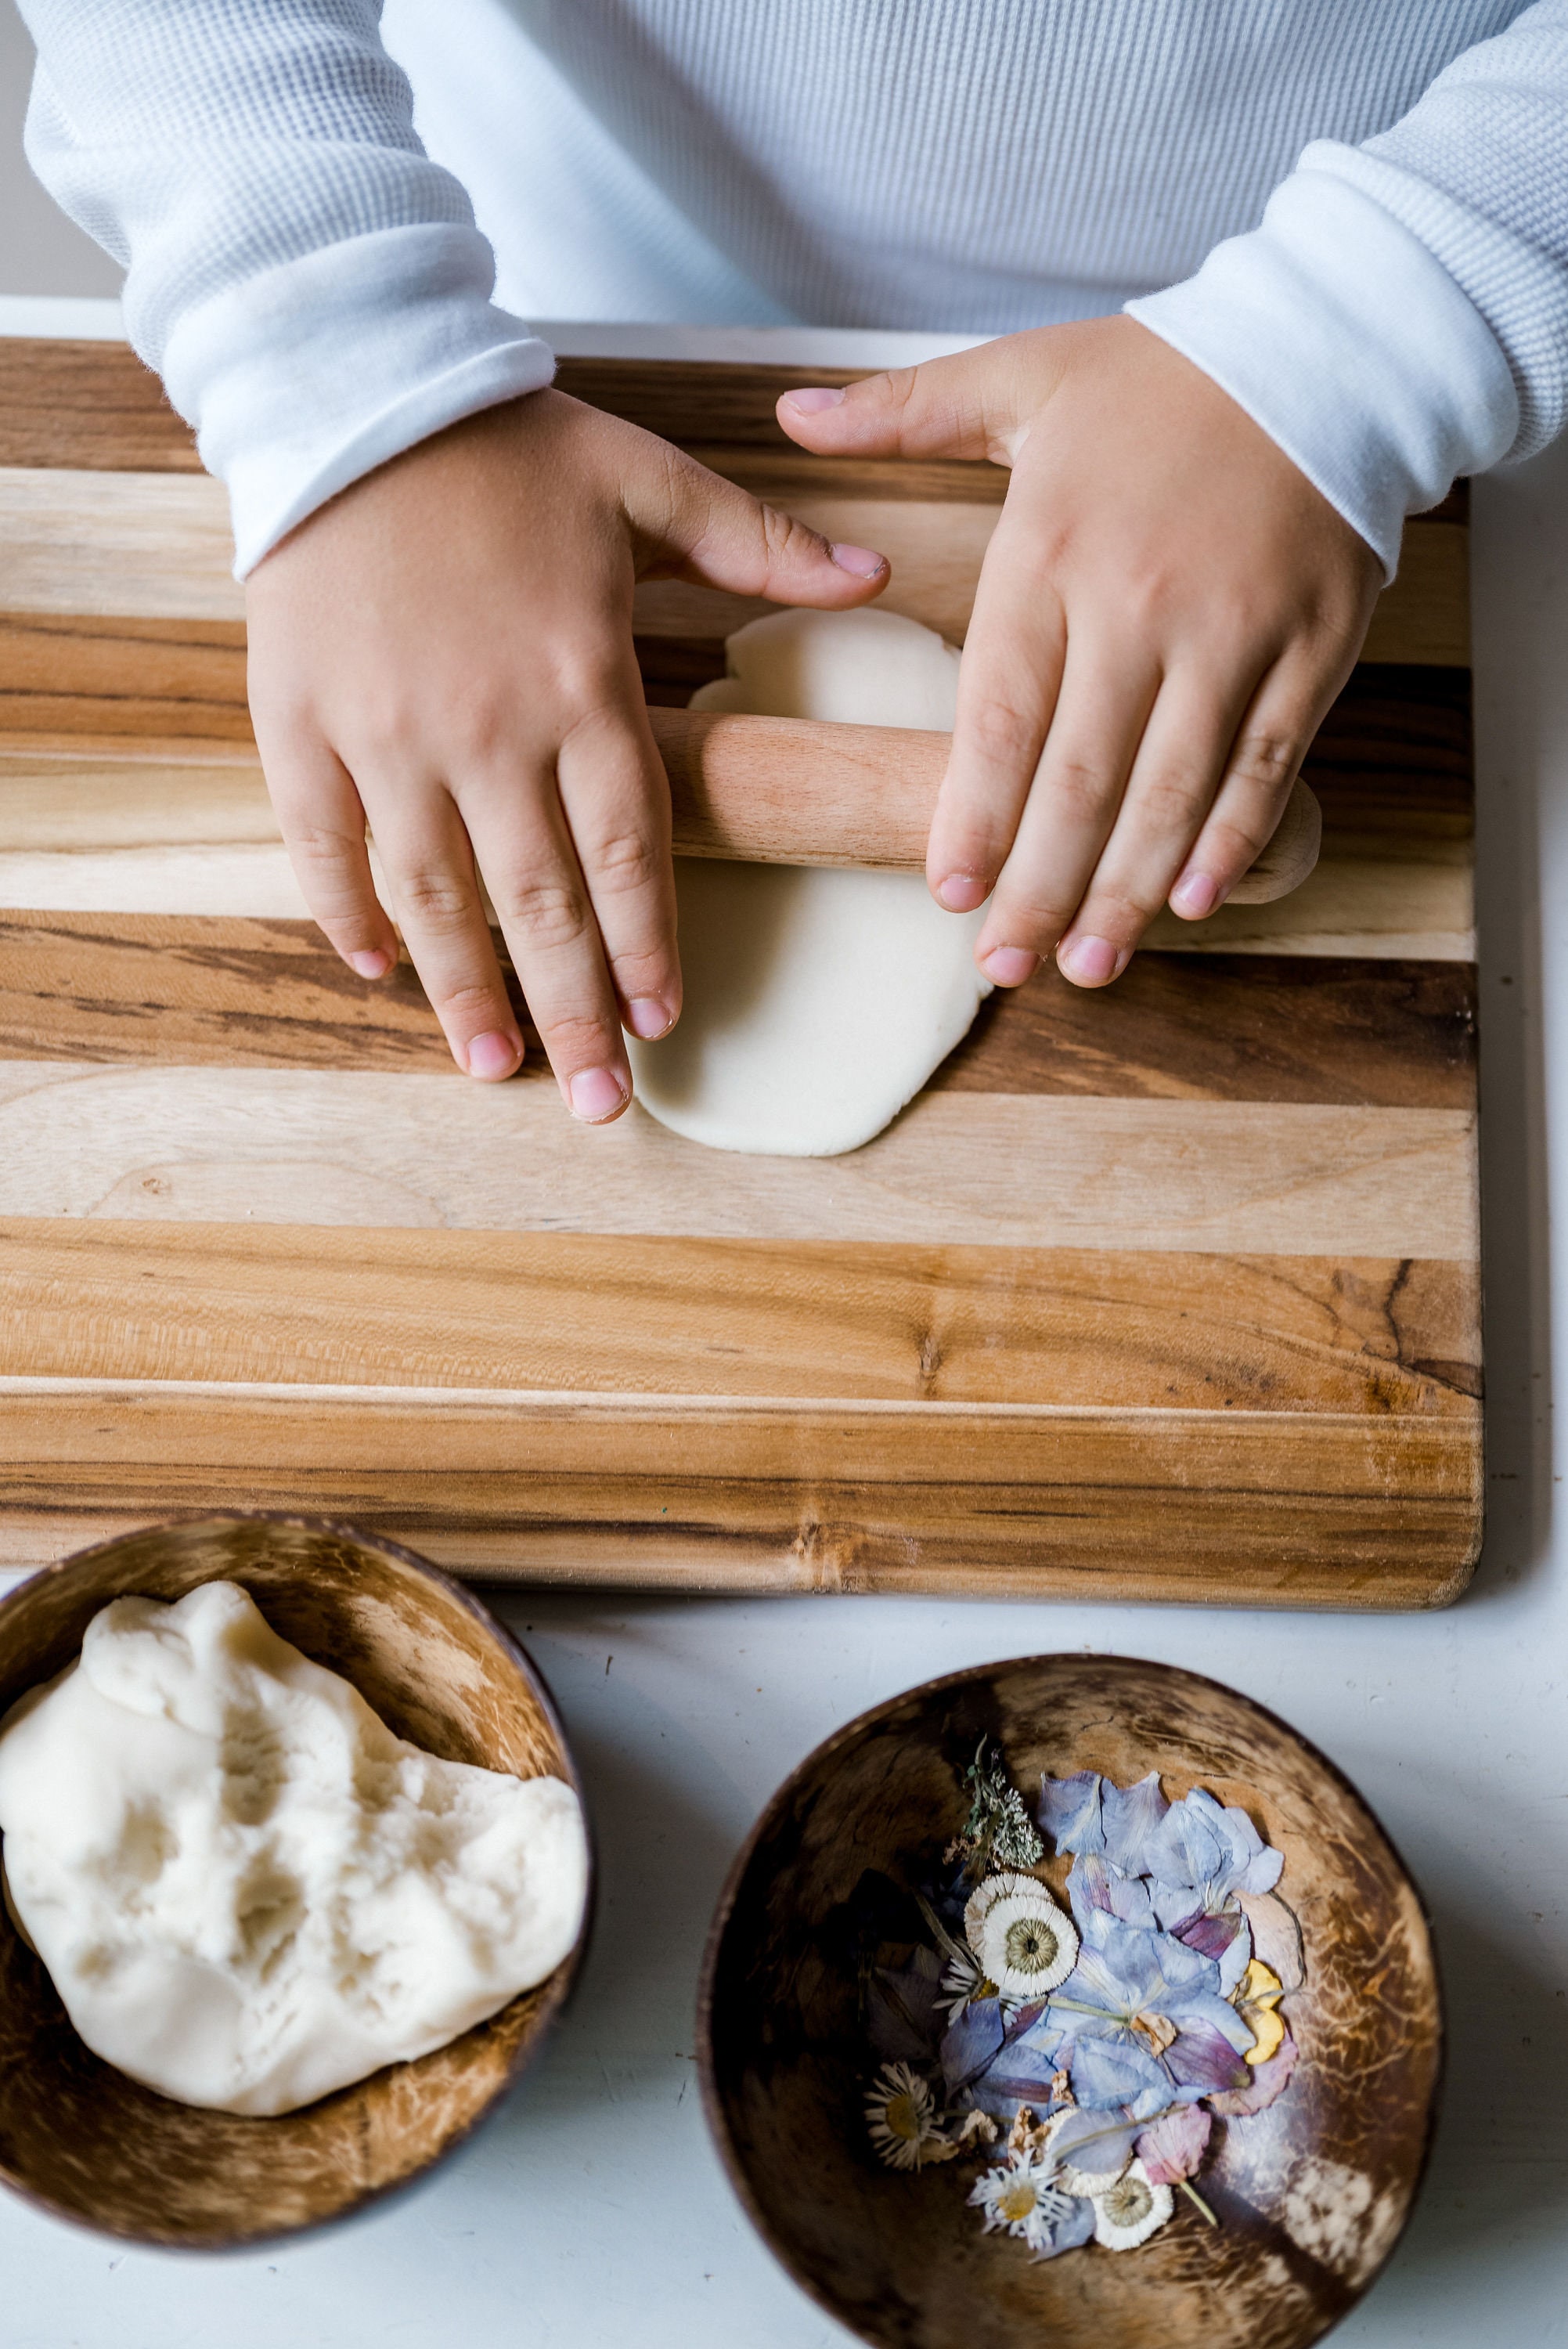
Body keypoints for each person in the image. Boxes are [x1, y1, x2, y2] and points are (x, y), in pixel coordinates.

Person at [19, 1, 1568, 1123]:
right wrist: (343, 361)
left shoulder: (1372, 338)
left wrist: (1368, 333)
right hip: (520, 284)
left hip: (1370, 347)